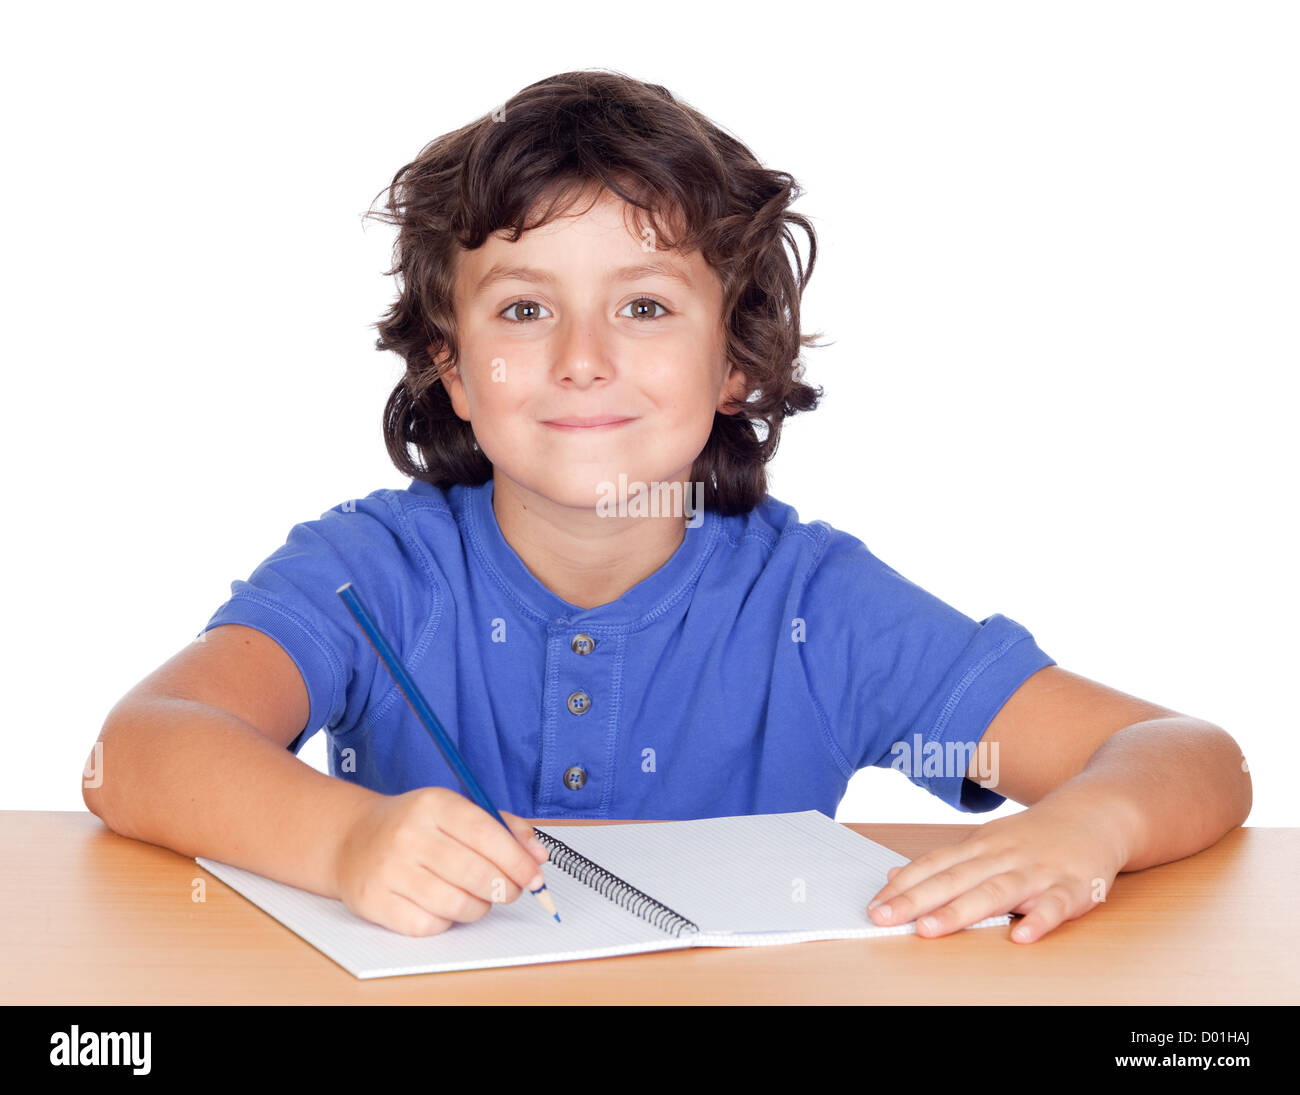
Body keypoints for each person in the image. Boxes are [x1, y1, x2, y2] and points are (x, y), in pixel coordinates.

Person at [83, 69, 1251, 944]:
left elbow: (1181, 756)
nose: (583, 360)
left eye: (643, 308)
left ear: (734, 358)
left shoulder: (816, 610)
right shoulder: (373, 573)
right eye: (524, 311)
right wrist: (341, 841)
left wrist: (1083, 829)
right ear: (449, 363)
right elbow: (131, 755)